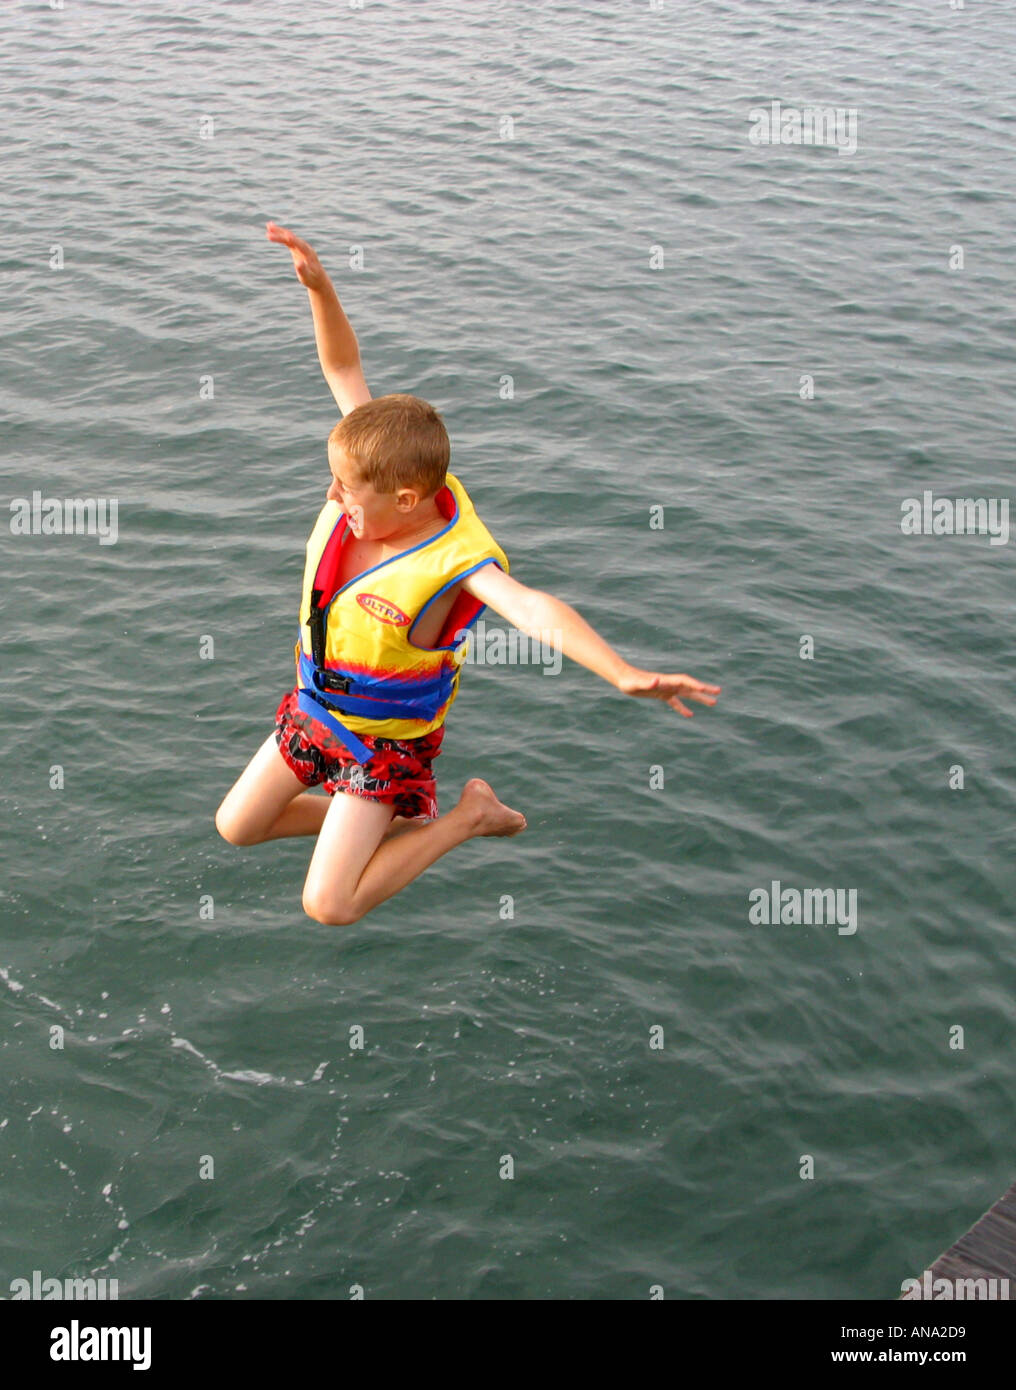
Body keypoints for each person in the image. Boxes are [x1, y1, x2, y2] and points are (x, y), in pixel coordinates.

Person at [214, 223, 721, 925]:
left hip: (382, 745)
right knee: (236, 826)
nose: (332, 496)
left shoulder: (455, 561)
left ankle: (466, 818)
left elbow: (532, 608)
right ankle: (369, 828)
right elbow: (341, 368)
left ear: (406, 499)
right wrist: (321, 288)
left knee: (327, 904)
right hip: (315, 708)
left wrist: (621, 672)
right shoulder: (376, 463)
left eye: (343, 490)